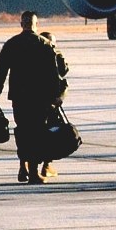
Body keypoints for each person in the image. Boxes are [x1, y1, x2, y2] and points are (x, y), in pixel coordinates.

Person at [0, 11, 65, 185]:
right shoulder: (45, 44)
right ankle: (33, 173)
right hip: (40, 98)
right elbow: (53, 74)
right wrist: (56, 96)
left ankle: (23, 166)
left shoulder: (12, 44)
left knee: (23, 131)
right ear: (36, 24)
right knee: (37, 132)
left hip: (19, 97)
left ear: (21, 24)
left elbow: (0, 70)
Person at [37, 31, 70, 179]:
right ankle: (46, 165)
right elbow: (63, 73)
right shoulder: (54, 56)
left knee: (27, 132)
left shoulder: (31, 56)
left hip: (29, 101)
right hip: (49, 102)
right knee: (50, 133)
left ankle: (24, 165)